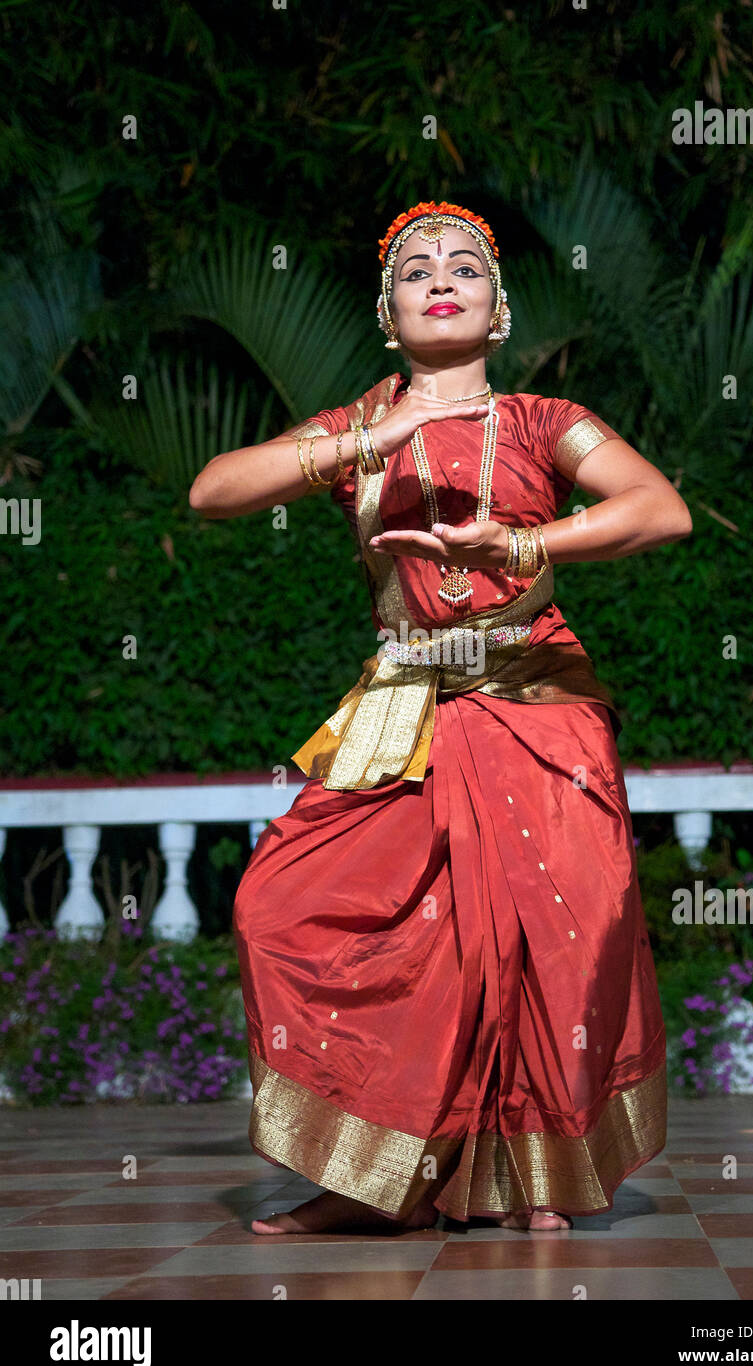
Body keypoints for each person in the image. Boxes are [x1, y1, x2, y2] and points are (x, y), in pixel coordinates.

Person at [189, 199, 692, 1235]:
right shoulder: (361, 426)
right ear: (389, 313)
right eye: (416, 271)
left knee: (544, 944)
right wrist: (372, 437)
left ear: (498, 311)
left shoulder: (550, 422)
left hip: (535, 704)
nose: (440, 278)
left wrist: (521, 547)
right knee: (282, 910)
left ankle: (534, 1182)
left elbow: (657, 508)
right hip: (408, 709)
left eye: (464, 265)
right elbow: (214, 490)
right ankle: (373, 1176)